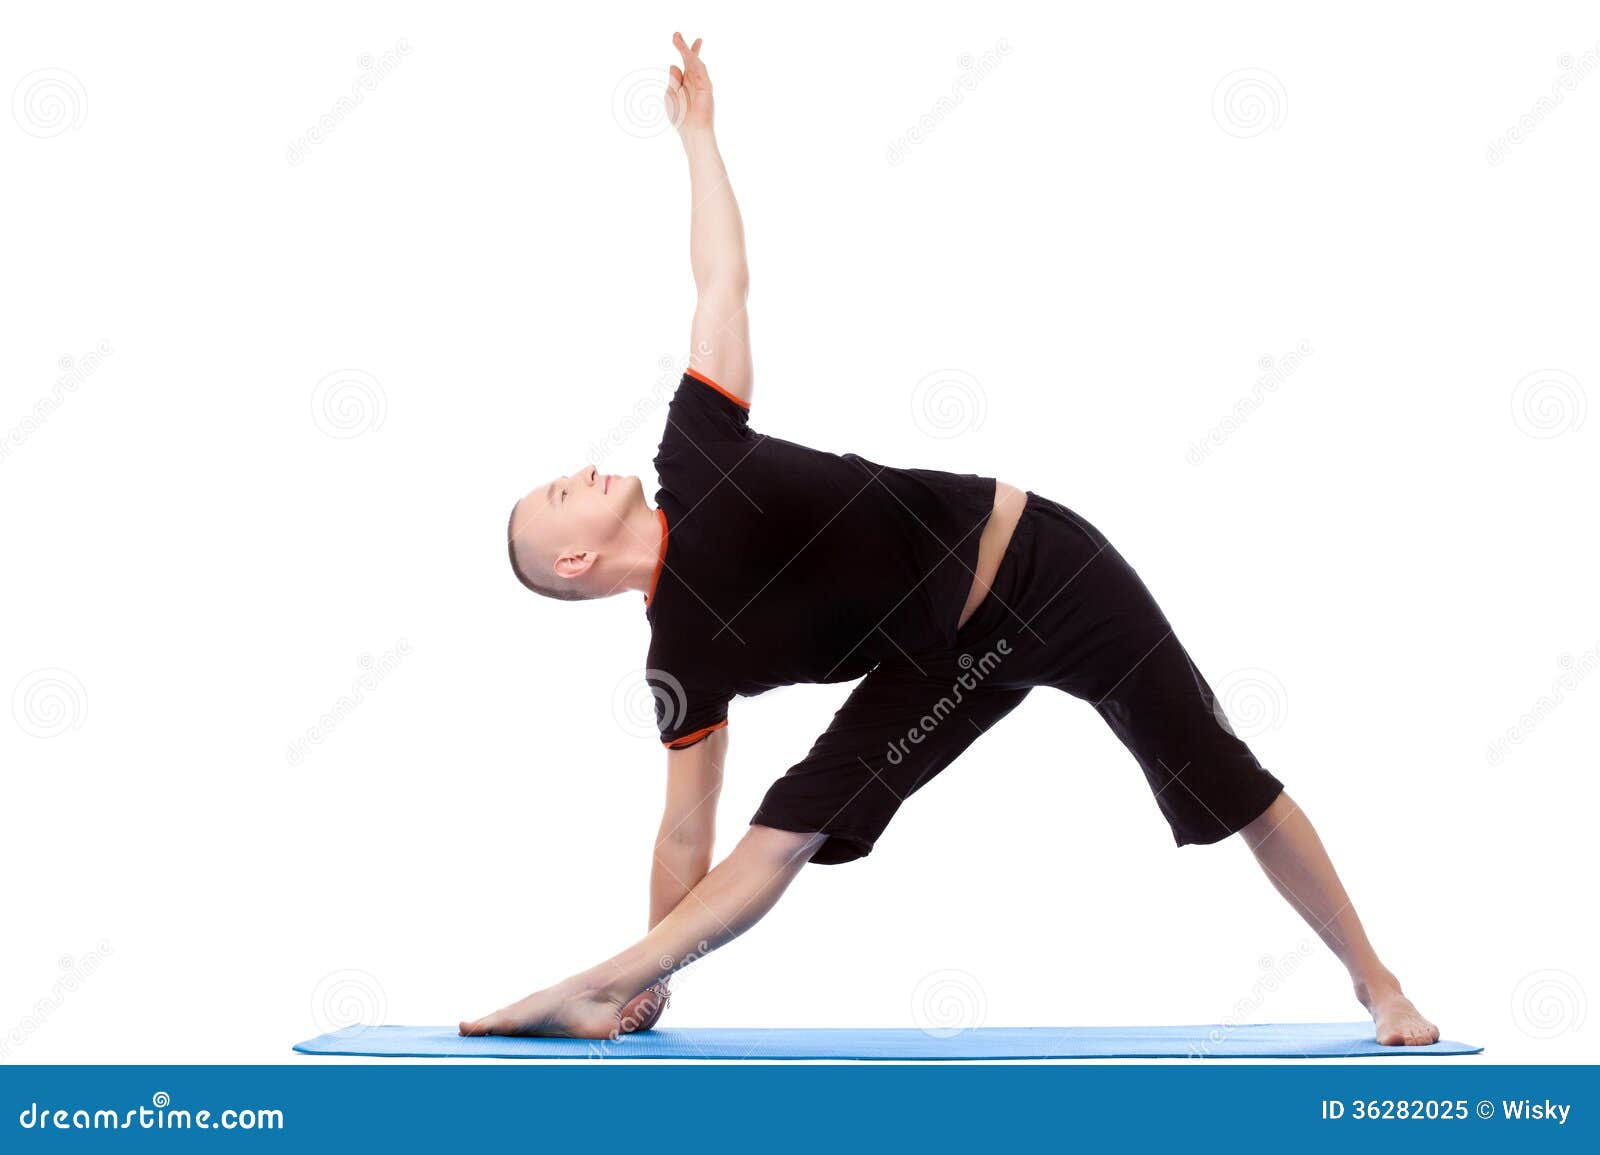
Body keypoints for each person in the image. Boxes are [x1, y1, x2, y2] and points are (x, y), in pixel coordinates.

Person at [463, 32, 1439, 1047]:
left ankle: (1380, 986)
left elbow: (721, 284)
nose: (577, 469)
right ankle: (596, 986)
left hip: (1046, 570)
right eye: (555, 493)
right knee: (782, 832)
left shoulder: (692, 450)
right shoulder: (683, 660)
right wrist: (647, 977)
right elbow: (683, 829)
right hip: (940, 665)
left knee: (1218, 773)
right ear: (573, 562)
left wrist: (697, 136)